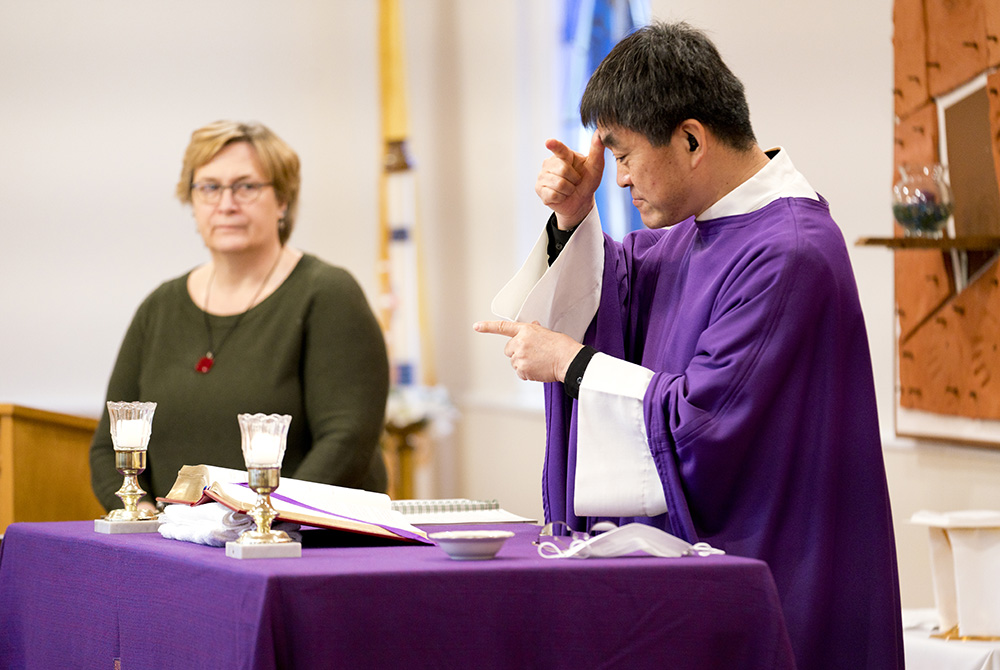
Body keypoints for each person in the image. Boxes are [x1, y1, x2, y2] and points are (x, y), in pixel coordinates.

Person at [475, 22, 903, 670]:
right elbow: (612, 294)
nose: (620, 179)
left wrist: (568, 363)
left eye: (625, 156)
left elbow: (701, 427)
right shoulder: (689, 235)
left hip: (780, 581)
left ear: (692, 139)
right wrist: (572, 215)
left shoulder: (788, 252)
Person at [90, 120, 389, 512]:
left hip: (299, 537)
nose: (226, 204)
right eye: (209, 187)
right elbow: (108, 447)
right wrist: (143, 515)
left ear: (282, 200)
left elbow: (346, 442)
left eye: (246, 187)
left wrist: (261, 521)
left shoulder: (328, 294)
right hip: (176, 539)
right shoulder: (159, 307)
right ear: (192, 201)